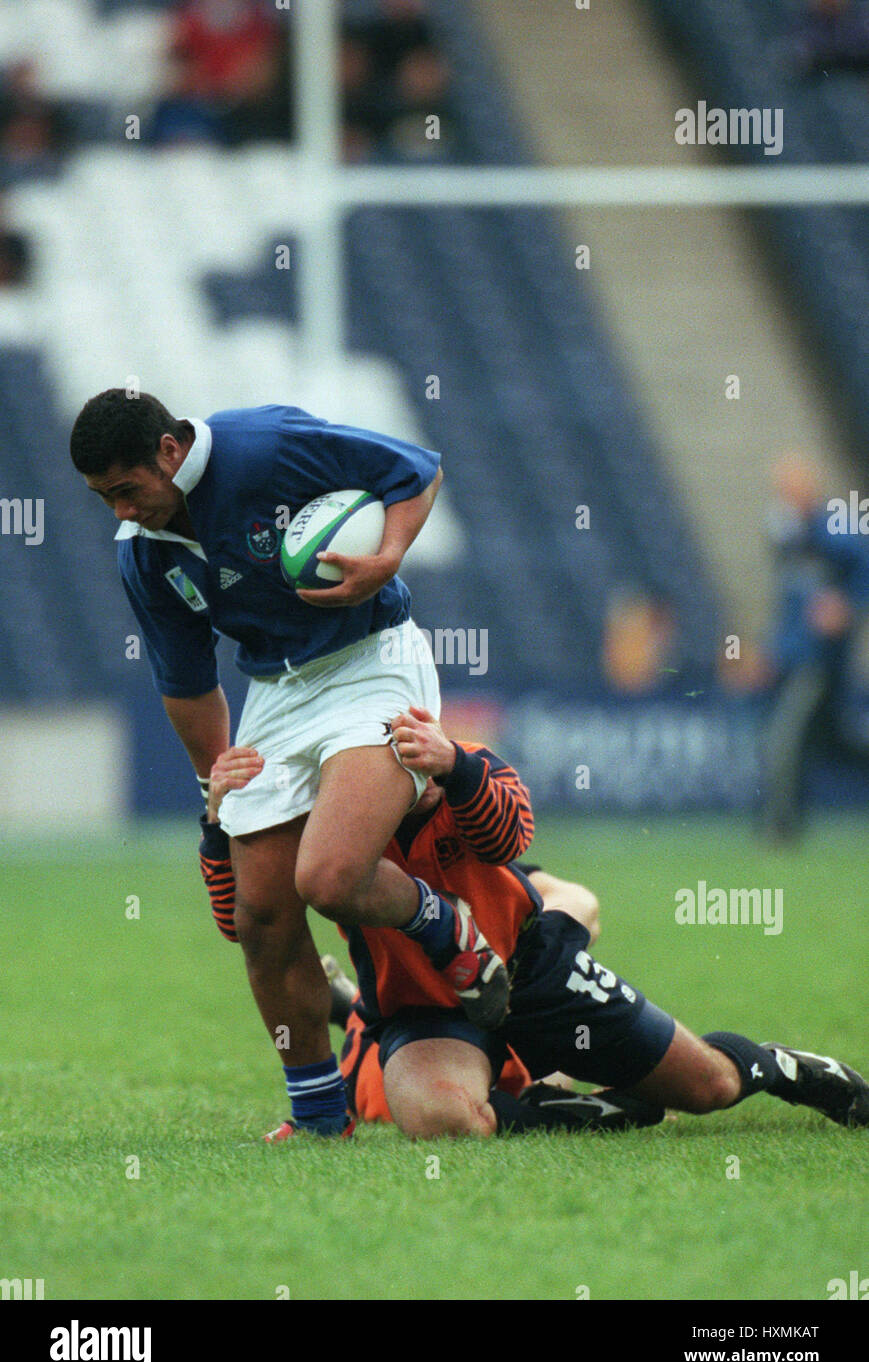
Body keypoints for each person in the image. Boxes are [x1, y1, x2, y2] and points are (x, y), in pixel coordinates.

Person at [70, 390, 510, 1138]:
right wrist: (218, 780)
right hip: (275, 691)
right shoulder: (140, 553)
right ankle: (316, 1115)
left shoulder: (264, 445)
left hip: (372, 662)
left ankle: (449, 932)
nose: (119, 510)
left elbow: (414, 469)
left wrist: (387, 559)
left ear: (170, 453)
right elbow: (185, 680)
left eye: (126, 490)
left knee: (329, 878)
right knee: (263, 914)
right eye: (102, 497)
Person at [202, 711, 869, 1139]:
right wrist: (220, 825)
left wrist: (455, 769)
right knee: (439, 1121)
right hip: (427, 1011)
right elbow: (251, 928)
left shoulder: (454, 762)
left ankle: (786, 1070)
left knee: (711, 1089)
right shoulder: (322, 823)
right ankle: (581, 1112)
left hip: (530, 972)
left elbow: (508, 838)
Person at [763, 455, 869, 842]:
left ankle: (780, 828)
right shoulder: (788, 536)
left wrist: (847, 604)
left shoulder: (833, 532)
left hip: (819, 661)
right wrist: (772, 648)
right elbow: (789, 602)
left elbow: (864, 571)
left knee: (784, 737)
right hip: (794, 656)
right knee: (837, 744)